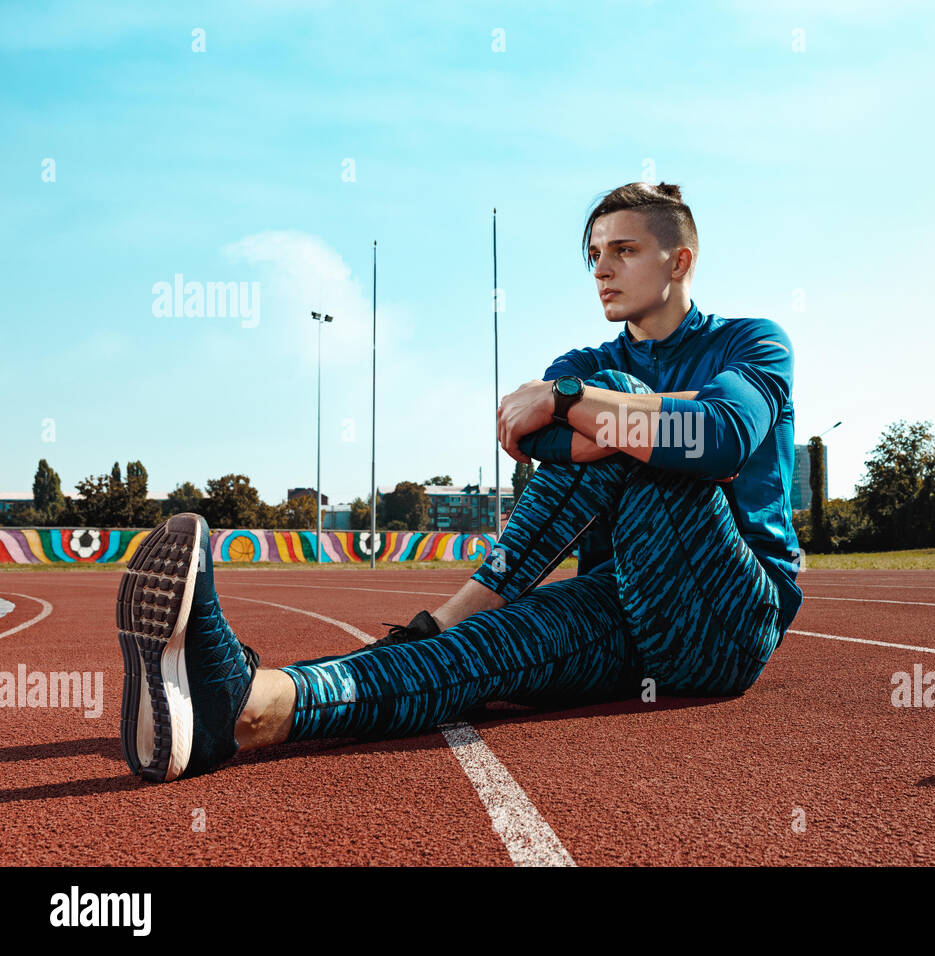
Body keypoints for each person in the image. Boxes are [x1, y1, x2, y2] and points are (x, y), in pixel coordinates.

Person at [116, 181, 803, 782]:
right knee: (480, 657)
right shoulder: (585, 359)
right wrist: (603, 418)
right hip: (624, 604)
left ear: (678, 261)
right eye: (593, 255)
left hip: (729, 619)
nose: (601, 270)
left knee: (628, 413)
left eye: (622, 251)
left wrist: (579, 405)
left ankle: (456, 609)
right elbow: (531, 437)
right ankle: (242, 706)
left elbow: (720, 436)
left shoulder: (751, 343)